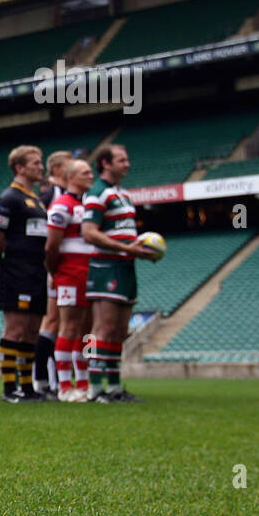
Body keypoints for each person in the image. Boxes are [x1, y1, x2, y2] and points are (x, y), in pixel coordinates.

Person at [81, 144, 157, 402]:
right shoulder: (97, 193)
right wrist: (125, 248)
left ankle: (113, 387)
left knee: (119, 330)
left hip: (125, 266)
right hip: (105, 268)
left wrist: (139, 251)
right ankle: (94, 387)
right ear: (105, 163)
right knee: (100, 329)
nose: (127, 164)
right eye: (122, 160)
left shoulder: (123, 195)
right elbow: (89, 232)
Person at [0, 145, 49, 402]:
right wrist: (0, 262)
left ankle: (27, 386)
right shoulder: (9, 198)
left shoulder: (37, 200)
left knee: (32, 330)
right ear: (20, 167)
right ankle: (9, 388)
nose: (41, 167)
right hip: (16, 270)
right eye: (36, 163)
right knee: (15, 328)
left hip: (37, 271)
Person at [44, 158, 95, 401]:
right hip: (70, 274)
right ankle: (65, 386)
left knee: (88, 331)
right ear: (71, 177)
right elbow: (51, 246)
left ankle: (84, 384)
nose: (91, 176)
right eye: (85, 173)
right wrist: (56, 274)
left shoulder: (88, 206)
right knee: (69, 327)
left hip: (91, 275)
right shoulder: (61, 205)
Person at [35, 150, 72, 398]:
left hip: (78, 269)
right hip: (56, 269)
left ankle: (76, 375)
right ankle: (41, 379)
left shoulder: (76, 198)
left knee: (78, 326)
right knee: (53, 322)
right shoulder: (51, 196)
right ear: (58, 170)